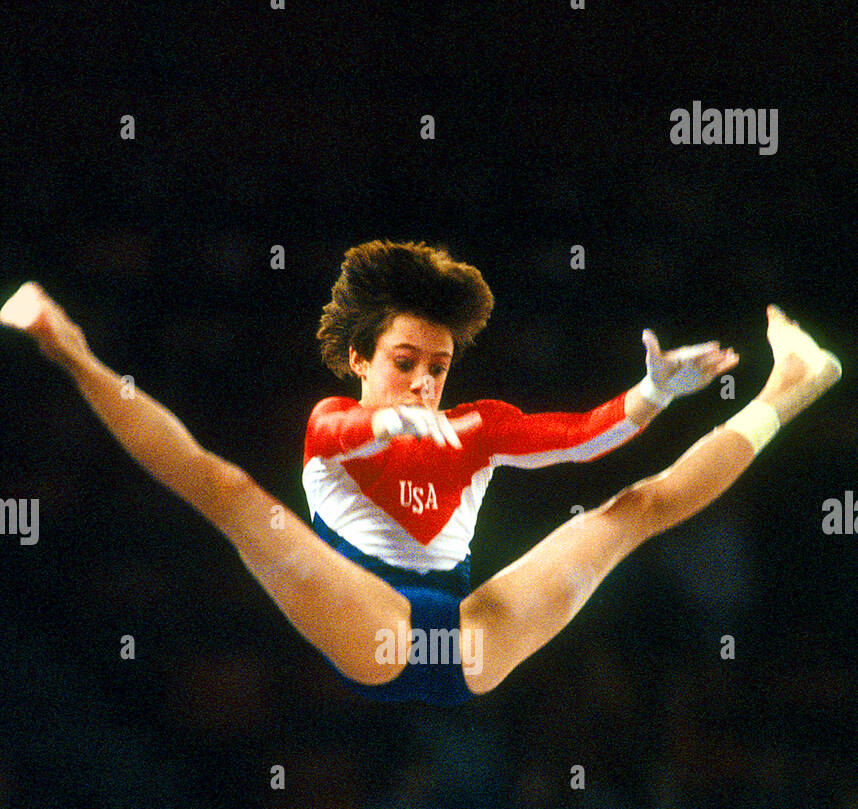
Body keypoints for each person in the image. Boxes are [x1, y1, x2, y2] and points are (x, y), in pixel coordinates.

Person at [0, 242, 840, 705]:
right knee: (228, 493)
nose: (425, 380)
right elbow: (342, 433)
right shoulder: (334, 423)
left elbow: (583, 437)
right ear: (360, 357)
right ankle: (67, 347)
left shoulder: (478, 428)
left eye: (437, 365)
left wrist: (654, 392)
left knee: (631, 509)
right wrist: (393, 419)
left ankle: (789, 387)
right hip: (376, 632)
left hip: (472, 639)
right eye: (404, 361)